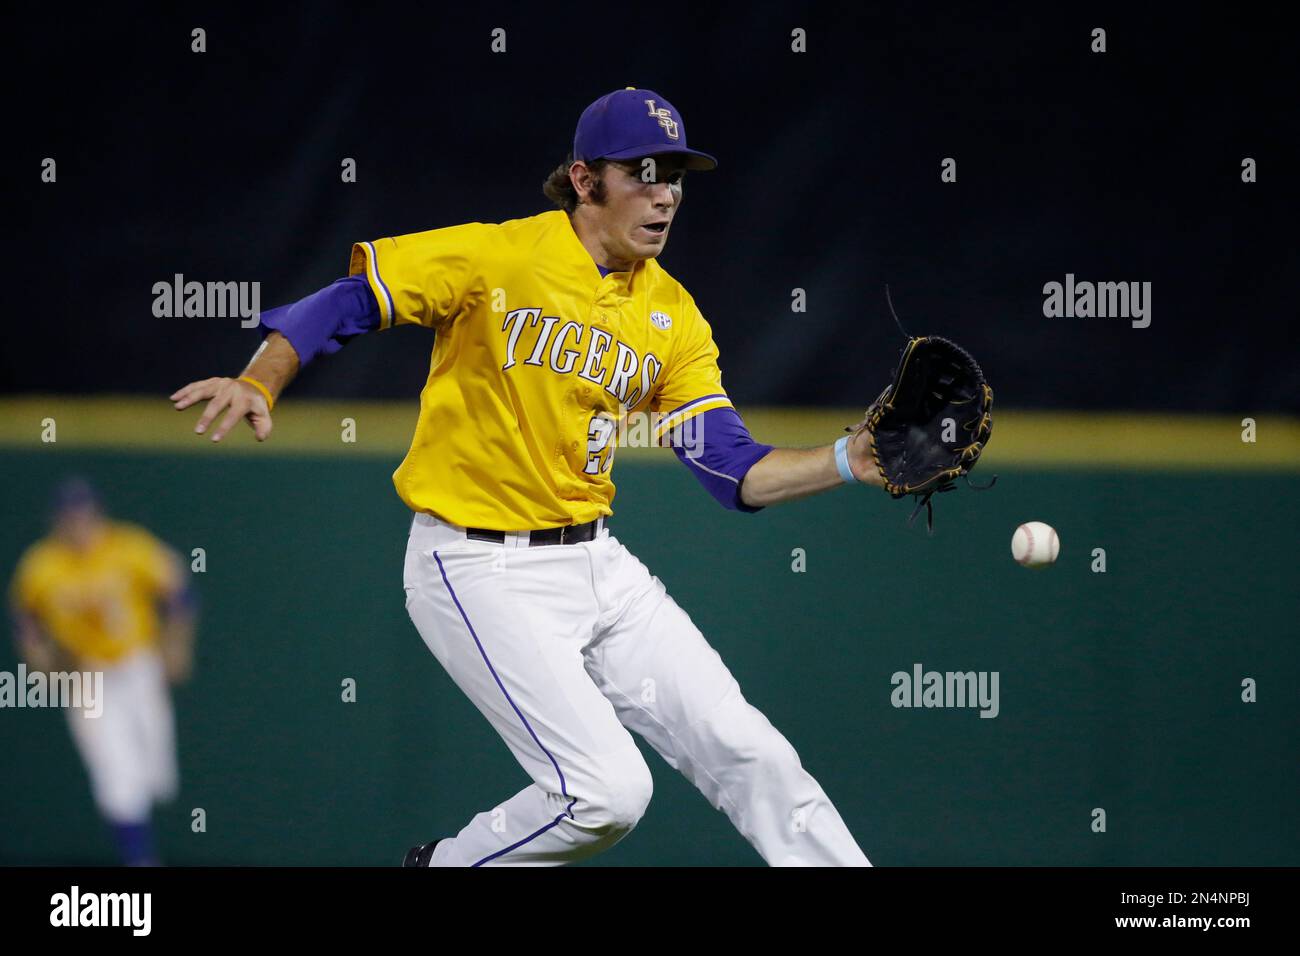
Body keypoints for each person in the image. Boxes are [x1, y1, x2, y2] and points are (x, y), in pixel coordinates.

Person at [171, 87, 885, 866]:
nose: (666, 194)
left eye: (676, 176)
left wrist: (848, 459)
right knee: (608, 796)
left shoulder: (673, 315)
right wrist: (262, 378)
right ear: (585, 181)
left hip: (599, 565)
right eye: (644, 172)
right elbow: (352, 299)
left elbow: (732, 470)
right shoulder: (499, 255)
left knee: (755, 754)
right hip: (476, 565)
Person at [9, 478, 195, 866]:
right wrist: (42, 668)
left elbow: (179, 592)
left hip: (137, 665)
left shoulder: (129, 546)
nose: (76, 524)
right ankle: (140, 860)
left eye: (82, 515)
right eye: (68, 517)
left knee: (157, 777)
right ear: (56, 521)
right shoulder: (41, 565)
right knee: (116, 776)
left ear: (96, 514)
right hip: (87, 677)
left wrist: (176, 647)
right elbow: (26, 626)